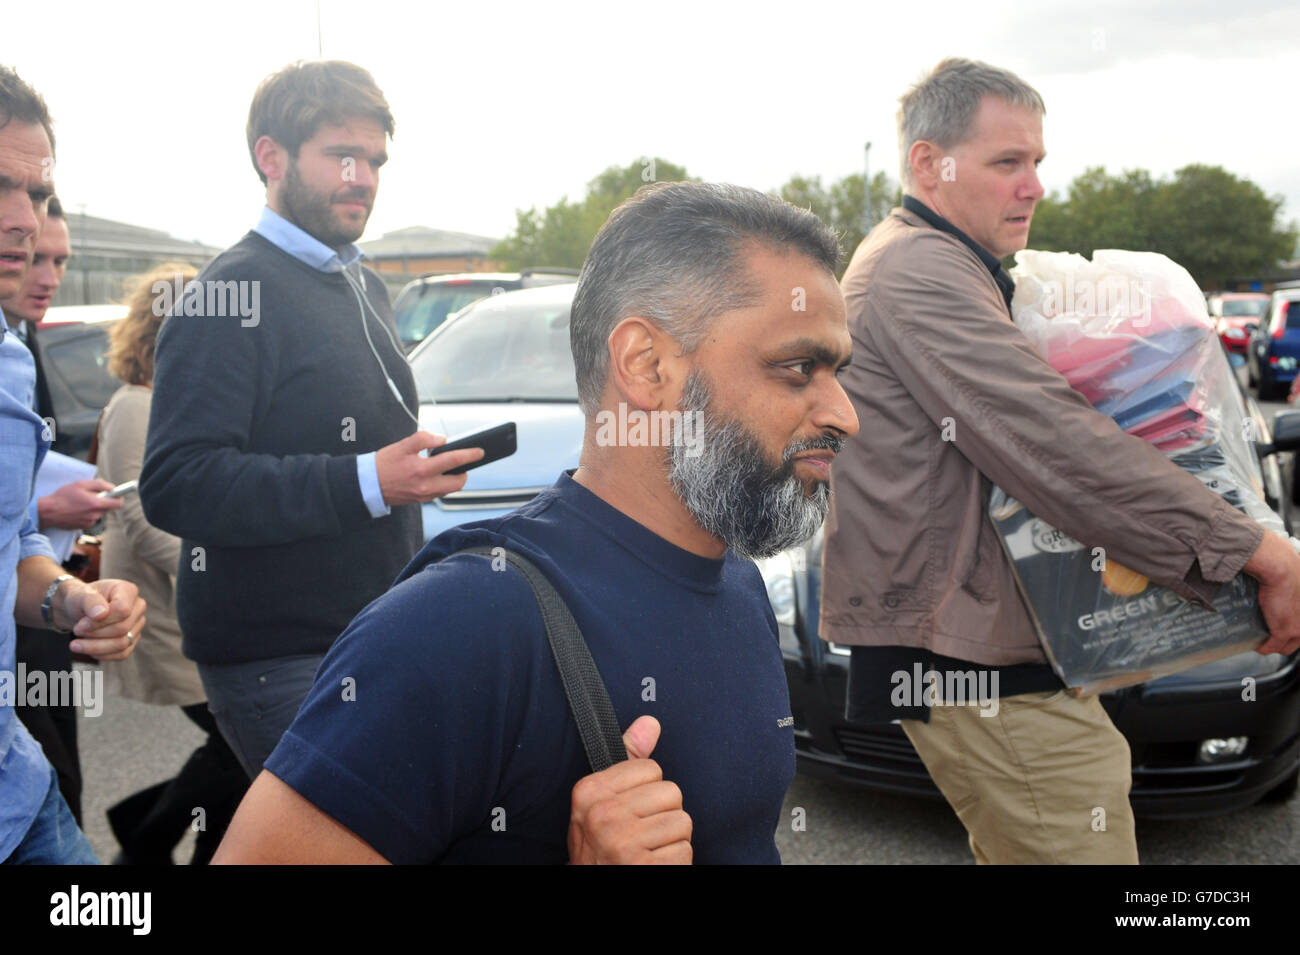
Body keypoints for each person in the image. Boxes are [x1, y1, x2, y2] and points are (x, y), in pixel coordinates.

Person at [212, 180, 859, 864]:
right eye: (798, 367)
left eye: (839, 370)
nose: (844, 413)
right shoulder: (461, 625)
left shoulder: (739, 585)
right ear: (646, 365)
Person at [820, 57, 1300, 865]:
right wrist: (1252, 548)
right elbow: (1051, 442)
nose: (1034, 185)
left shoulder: (949, 263)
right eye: (1008, 161)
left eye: (1037, 161)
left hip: (986, 638)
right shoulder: (918, 270)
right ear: (927, 164)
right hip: (964, 651)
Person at [139, 60, 482, 780]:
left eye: (375, 160)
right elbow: (177, 482)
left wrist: (408, 476)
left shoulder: (360, 280)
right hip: (282, 662)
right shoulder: (230, 292)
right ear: (271, 157)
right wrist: (368, 481)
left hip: (374, 633)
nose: (362, 177)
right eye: (341, 155)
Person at [1, 63, 145, 865]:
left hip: (20, 795)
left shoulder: (9, 362)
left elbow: (15, 546)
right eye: (1, 187)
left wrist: (76, 601)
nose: (25, 223)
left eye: (41, 195)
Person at [97, 263, 250, 864]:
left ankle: (153, 832)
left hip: (186, 602)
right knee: (236, 743)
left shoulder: (179, 401)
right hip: (163, 607)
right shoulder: (136, 406)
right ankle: (144, 842)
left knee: (238, 747)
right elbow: (142, 519)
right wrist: (223, 573)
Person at [2, 196, 122, 824]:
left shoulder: (22, 349)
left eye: (59, 260)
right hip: (19, 627)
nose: (43, 274)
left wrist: (68, 598)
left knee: (60, 774)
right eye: (36, 257)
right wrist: (50, 505)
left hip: (40, 603)